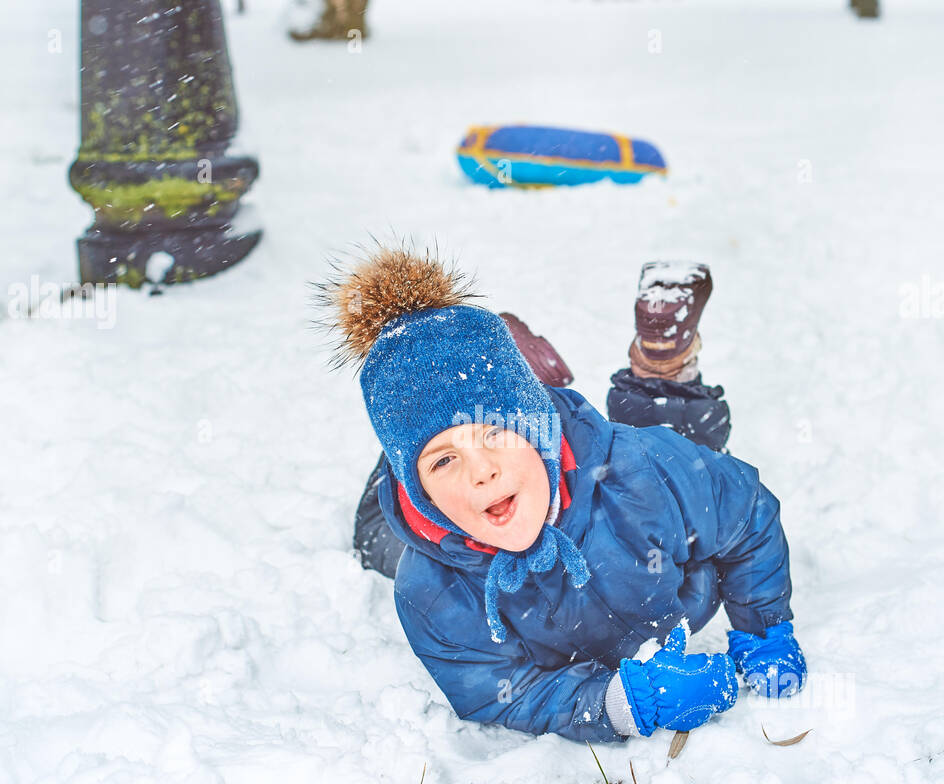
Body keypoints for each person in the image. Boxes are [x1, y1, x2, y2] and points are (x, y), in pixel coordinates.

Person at [324, 243, 806, 743]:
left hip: (629, 491)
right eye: (444, 460)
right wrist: (621, 703)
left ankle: (660, 366)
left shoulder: (640, 468)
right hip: (452, 510)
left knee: (676, 456)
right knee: (376, 540)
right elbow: (498, 692)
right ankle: (417, 430)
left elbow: (745, 511)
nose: (482, 473)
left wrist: (762, 629)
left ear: (538, 429)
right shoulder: (432, 587)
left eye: (495, 433)